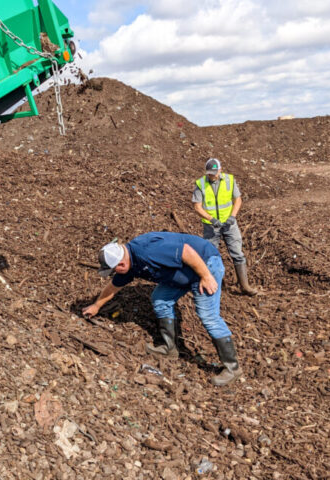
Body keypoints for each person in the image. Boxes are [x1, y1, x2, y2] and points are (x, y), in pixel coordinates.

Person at [81, 232, 243, 386]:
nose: (113, 274)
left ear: (121, 264)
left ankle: (232, 368)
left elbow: (187, 251)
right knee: (160, 299)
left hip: (205, 264)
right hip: (183, 272)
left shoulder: (147, 251)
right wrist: (96, 306)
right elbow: (113, 286)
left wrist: (206, 276)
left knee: (208, 315)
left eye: (113, 271)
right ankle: (169, 348)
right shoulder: (130, 262)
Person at [192, 158, 258, 296]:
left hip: (229, 224)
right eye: (210, 173)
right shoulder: (201, 184)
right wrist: (211, 219)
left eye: (215, 173)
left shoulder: (229, 180)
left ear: (220, 170)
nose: (212, 176)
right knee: (210, 255)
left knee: (237, 253)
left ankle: (244, 286)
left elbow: (237, 200)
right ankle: (212, 286)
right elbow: (197, 207)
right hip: (211, 226)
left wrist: (232, 216)